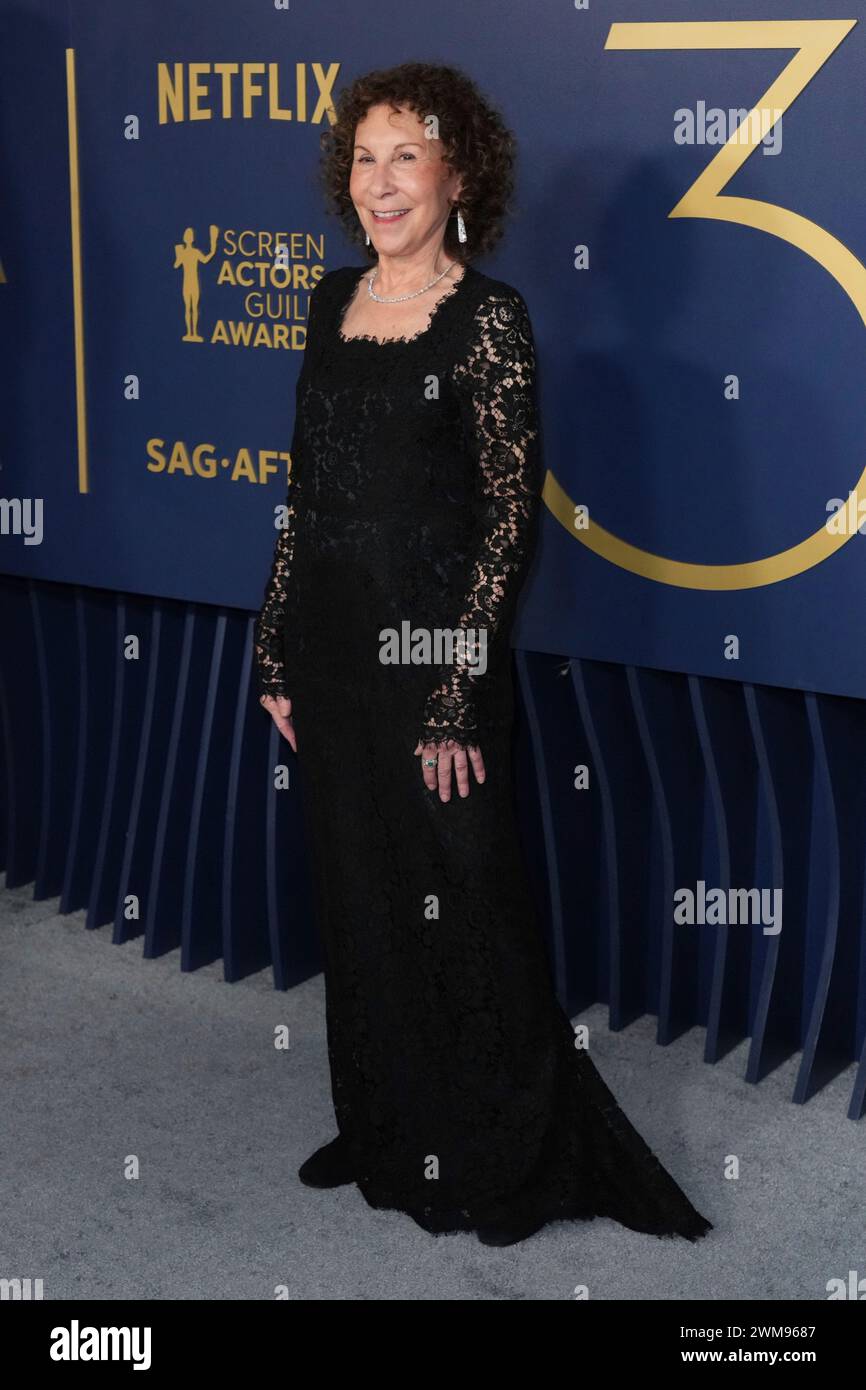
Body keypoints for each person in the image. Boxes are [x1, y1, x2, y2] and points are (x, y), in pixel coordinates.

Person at [254, 61, 713, 1247]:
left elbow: (507, 520)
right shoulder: (327, 300)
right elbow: (306, 492)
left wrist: (456, 694)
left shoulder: (487, 318)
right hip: (333, 652)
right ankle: (387, 1122)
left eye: (407, 154)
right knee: (356, 900)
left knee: (463, 907)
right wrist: (274, 645)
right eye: (364, 156)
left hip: (431, 660)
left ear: (458, 176)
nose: (380, 180)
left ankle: (499, 1145)